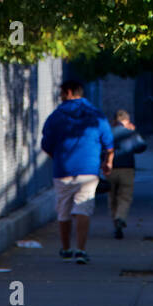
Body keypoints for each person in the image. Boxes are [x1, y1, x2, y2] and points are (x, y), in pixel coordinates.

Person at [40, 79, 113, 264]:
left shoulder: (56, 116)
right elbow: (109, 143)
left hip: (63, 169)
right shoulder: (96, 115)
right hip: (88, 170)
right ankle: (81, 250)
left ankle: (65, 249)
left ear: (70, 92)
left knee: (63, 210)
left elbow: (46, 144)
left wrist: (58, 157)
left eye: (62, 93)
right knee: (83, 209)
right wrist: (108, 162)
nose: (60, 97)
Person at [104, 109, 147, 238]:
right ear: (127, 121)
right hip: (127, 168)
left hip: (110, 168)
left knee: (112, 197)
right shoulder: (130, 133)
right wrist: (134, 132)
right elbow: (142, 146)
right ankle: (120, 217)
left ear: (114, 121)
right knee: (125, 196)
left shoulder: (107, 133)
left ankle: (115, 221)